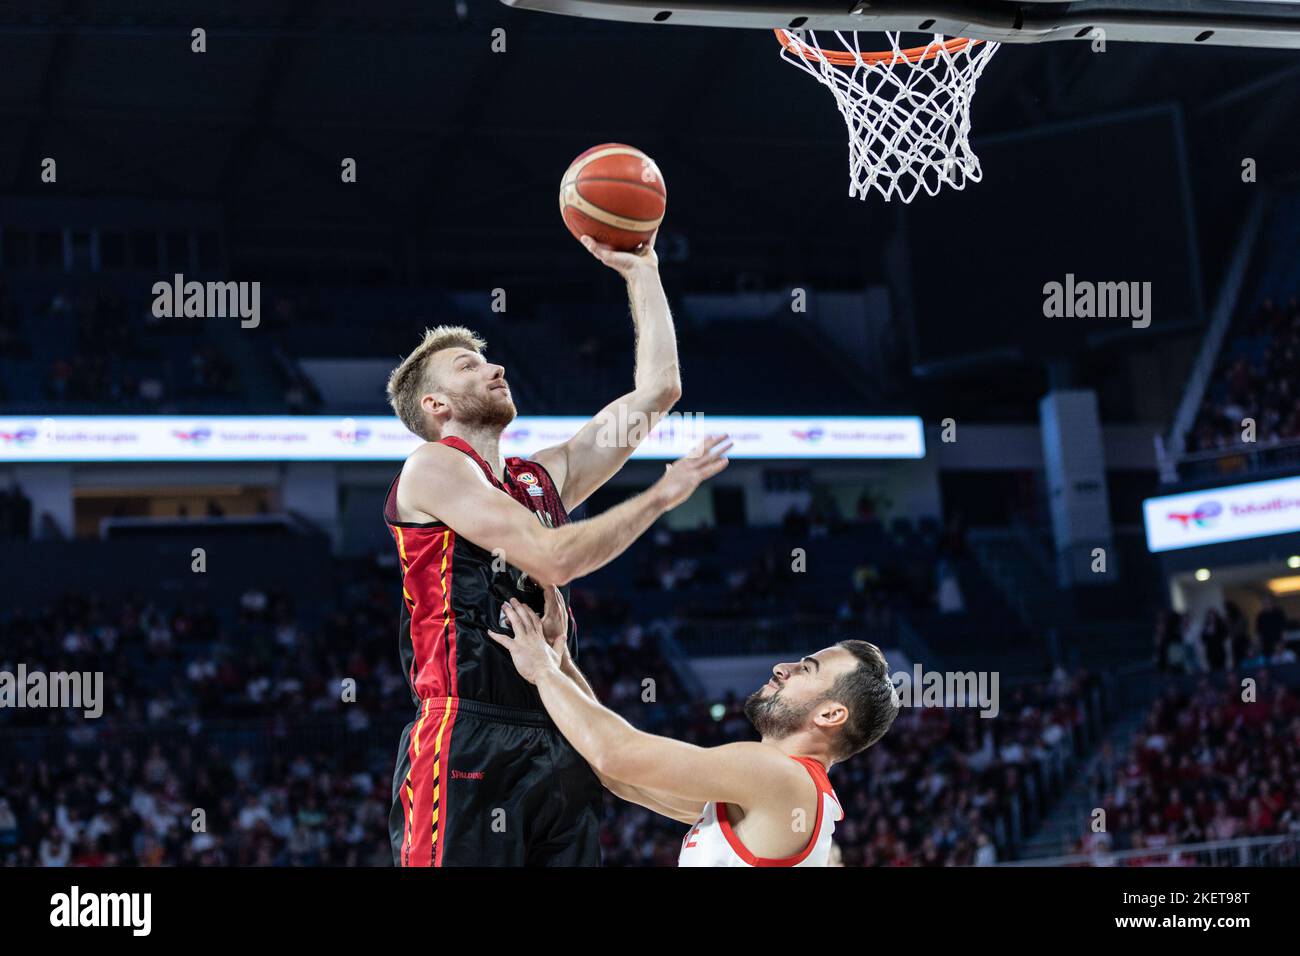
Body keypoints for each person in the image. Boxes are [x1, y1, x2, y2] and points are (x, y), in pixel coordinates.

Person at [381, 231, 731, 867]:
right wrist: (658, 497)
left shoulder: (542, 478)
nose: (495, 368)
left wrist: (643, 271)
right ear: (436, 405)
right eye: (468, 367)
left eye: (489, 360)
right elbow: (554, 558)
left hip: (559, 720)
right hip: (467, 729)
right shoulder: (431, 466)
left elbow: (658, 393)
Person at [490, 588, 901, 867]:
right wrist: (560, 659)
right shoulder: (766, 793)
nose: (782, 667)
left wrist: (543, 670)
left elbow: (615, 754)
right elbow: (619, 776)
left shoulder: (781, 776)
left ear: (830, 715)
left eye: (806, 669)